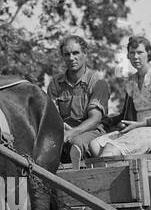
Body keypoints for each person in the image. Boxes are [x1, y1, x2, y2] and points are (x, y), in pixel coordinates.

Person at [98, 35, 151, 159]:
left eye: (140, 52)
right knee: (95, 145)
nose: (136, 57)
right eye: (132, 53)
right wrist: (107, 120)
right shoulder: (132, 81)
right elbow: (125, 115)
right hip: (136, 129)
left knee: (110, 150)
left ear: (149, 53)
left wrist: (141, 124)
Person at [47, 35, 110, 165]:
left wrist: (71, 133)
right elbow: (50, 116)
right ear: (63, 57)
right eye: (67, 54)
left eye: (76, 53)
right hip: (63, 132)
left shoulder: (97, 82)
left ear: (85, 54)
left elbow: (95, 119)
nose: (71, 58)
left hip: (91, 131)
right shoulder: (55, 83)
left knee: (76, 143)